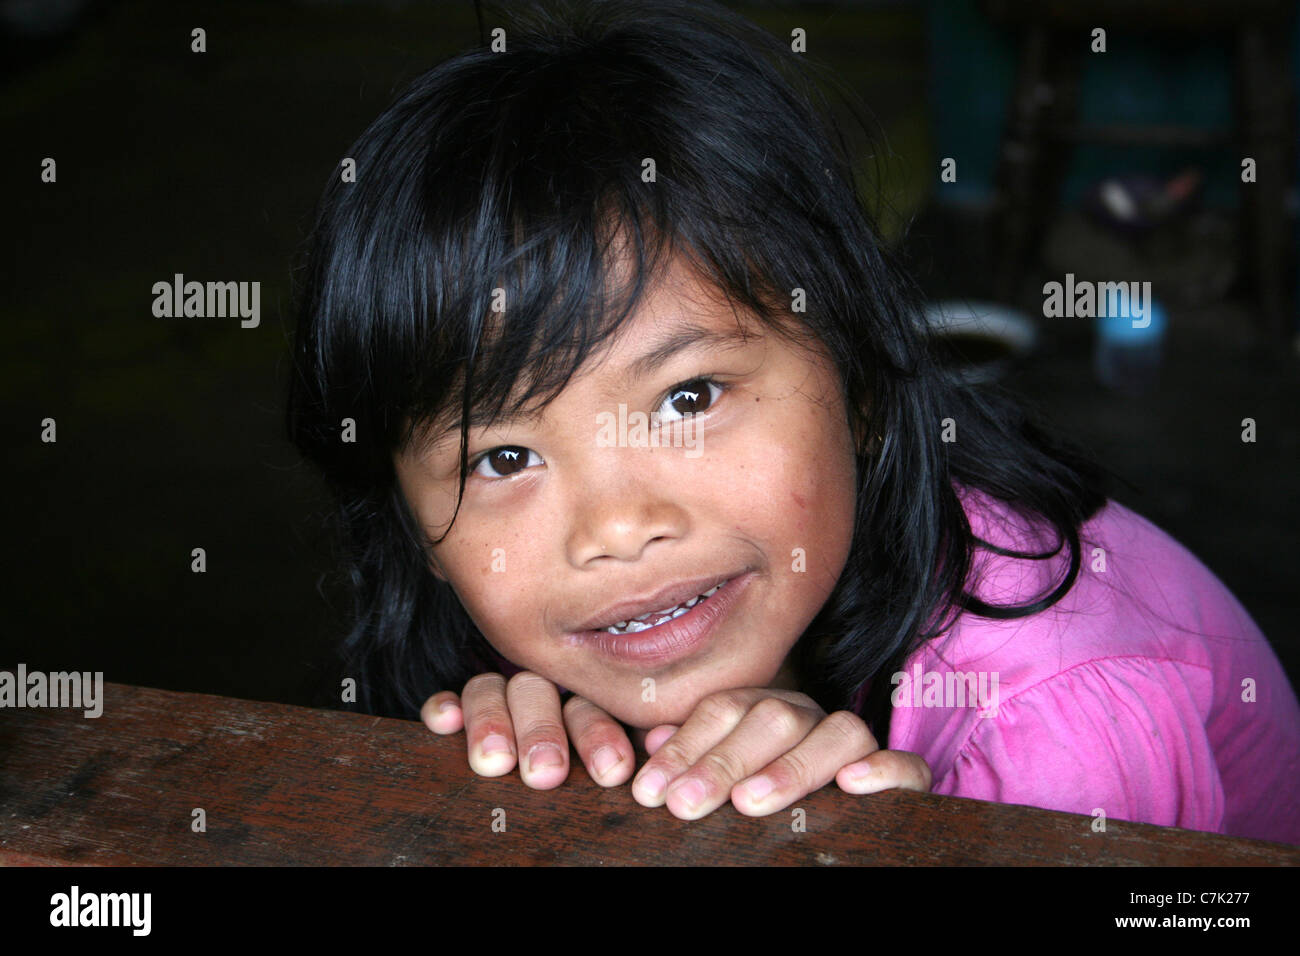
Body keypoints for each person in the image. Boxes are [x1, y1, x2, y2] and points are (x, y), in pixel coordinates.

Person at [286, 0, 1300, 842]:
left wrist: (868, 841)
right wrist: (579, 764)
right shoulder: (585, 652)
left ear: (860, 380)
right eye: (504, 456)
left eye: (688, 398)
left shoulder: (1065, 718)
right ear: (415, 529)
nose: (615, 526)